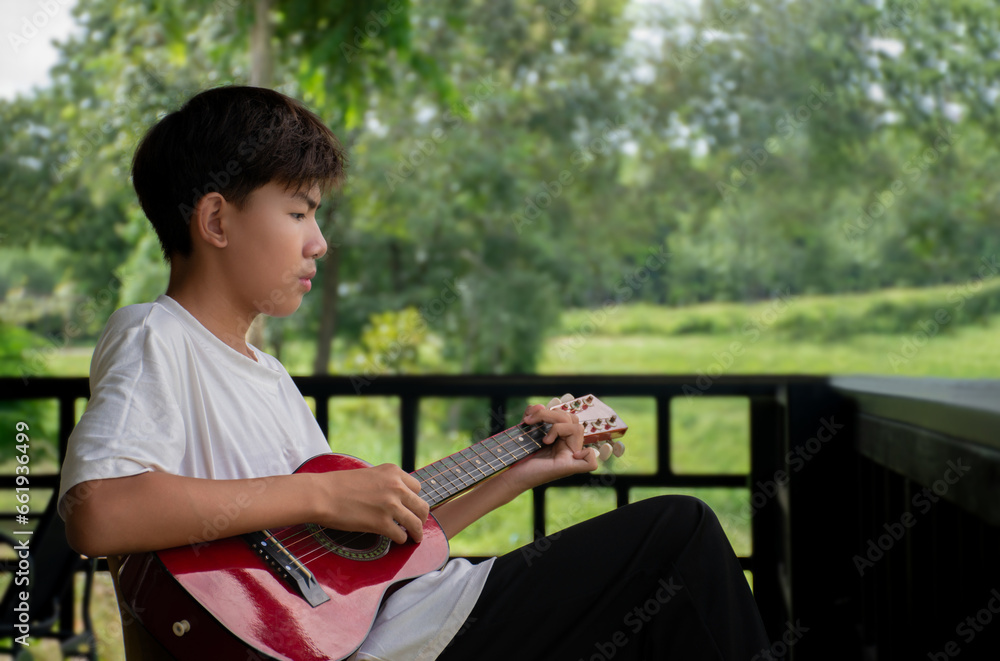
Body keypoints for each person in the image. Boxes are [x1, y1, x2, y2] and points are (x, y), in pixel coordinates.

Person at [58, 85, 770, 660]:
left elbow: (372, 560)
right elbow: (98, 510)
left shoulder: (269, 377)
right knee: (677, 535)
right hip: (397, 642)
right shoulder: (157, 333)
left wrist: (521, 467)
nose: (319, 241)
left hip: (400, 622)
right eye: (299, 211)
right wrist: (327, 494)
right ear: (216, 220)